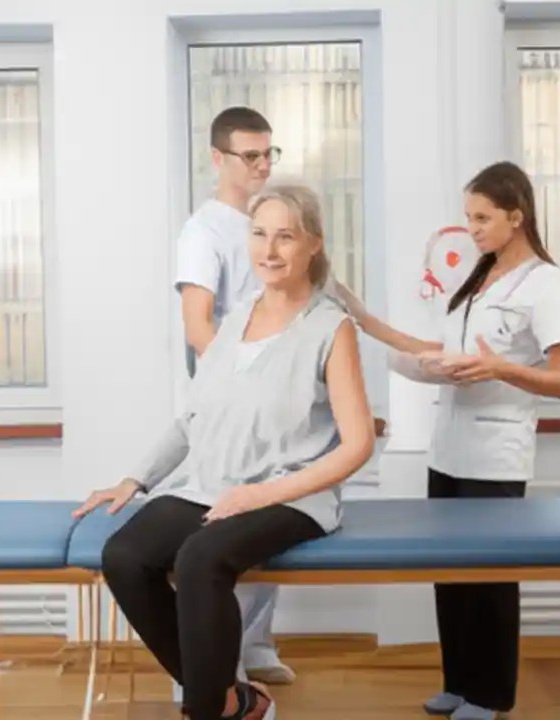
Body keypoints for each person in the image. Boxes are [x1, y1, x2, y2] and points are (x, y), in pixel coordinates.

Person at [74, 183, 376, 720]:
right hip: (214, 486)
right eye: (259, 234)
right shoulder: (238, 318)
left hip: (291, 496)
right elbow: (194, 418)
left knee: (200, 558)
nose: (269, 250)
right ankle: (230, 699)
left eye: (285, 237)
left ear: (313, 244)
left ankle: (205, 710)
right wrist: (135, 479)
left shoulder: (332, 328)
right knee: (124, 556)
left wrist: (260, 495)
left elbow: (358, 445)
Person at [334, 161, 560, 720]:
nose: (472, 229)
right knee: (451, 572)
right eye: (468, 217)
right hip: (448, 449)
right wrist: (365, 319)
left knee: (489, 577)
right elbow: (440, 351)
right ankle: (460, 682)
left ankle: (491, 696)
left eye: (482, 218)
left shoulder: (547, 284)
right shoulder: (479, 278)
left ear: (517, 216)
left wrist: (498, 369)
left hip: (497, 457)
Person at [172, 106, 295, 685]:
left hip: (279, 400)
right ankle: (211, 665)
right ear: (218, 159)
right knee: (222, 530)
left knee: (269, 515)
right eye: (251, 155)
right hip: (230, 403)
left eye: (269, 154)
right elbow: (198, 326)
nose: (263, 165)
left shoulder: (268, 221)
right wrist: (241, 385)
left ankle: (257, 644)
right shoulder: (204, 232)